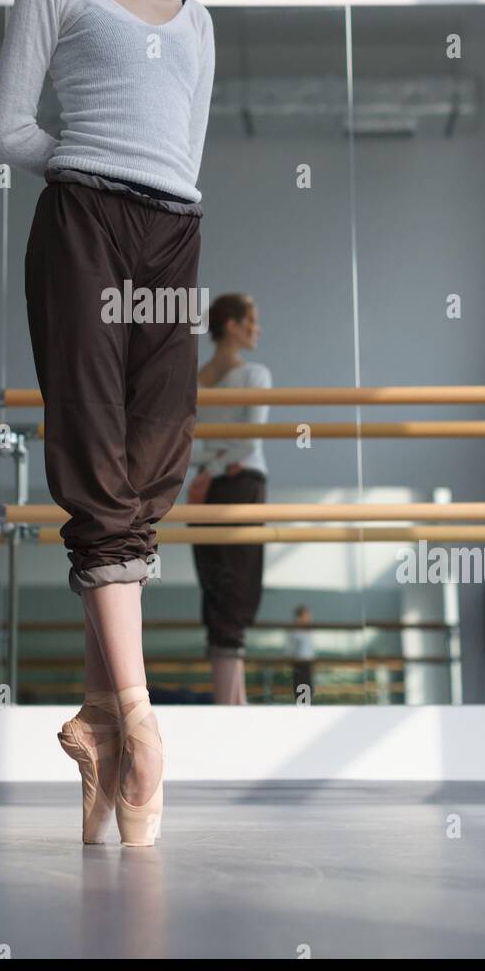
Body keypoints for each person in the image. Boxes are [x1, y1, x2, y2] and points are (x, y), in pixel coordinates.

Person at [0, 0, 215, 846]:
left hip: (172, 231)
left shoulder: (196, 20)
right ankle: (136, 719)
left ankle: (91, 719)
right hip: (82, 222)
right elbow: (6, 131)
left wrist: (141, 192)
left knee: (154, 457)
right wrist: (82, 169)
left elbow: (183, 145)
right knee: (96, 458)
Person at [188, 295, 272, 704]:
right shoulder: (253, 375)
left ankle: (232, 704)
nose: (258, 329)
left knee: (229, 589)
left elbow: (240, 443)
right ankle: (231, 706)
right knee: (224, 589)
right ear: (233, 326)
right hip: (226, 485)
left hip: (219, 485)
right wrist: (212, 471)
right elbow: (243, 442)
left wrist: (208, 471)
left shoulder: (207, 380)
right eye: (252, 321)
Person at [286, 604, 315, 703]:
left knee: (308, 692)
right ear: (300, 617)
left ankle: (305, 711)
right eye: (306, 616)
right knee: (302, 692)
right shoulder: (295, 631)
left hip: (307, 665)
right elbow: (290, 650)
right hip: (299, 665)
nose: (309, 618)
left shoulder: (308, 630)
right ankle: (303, 712)